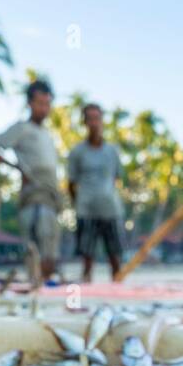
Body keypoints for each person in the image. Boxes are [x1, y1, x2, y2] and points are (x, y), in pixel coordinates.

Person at [0, 80, 64, 281]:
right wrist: (17, 168)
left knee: (51, 242)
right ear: (30, 103)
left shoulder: (47, 134)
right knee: (37, 242)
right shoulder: (22, 128)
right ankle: (36, 282)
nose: (44, 108)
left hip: (51, 195)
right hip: (34, 196)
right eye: (40, 103)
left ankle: (46, 283)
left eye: (47, 103)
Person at [67, 103, 124, 281]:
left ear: (102, 121)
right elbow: (71, 183)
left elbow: (117, 178)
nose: (94, 123)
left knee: (114, 254)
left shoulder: (112, 151)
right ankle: (86, 287)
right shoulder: (77, 152)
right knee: (87, 256)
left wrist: (105, 194)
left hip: (110, 208)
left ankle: (117, 287)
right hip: (86, 209)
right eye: (89, 119)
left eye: (97, 118)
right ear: (84, 122)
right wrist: (79, 202)